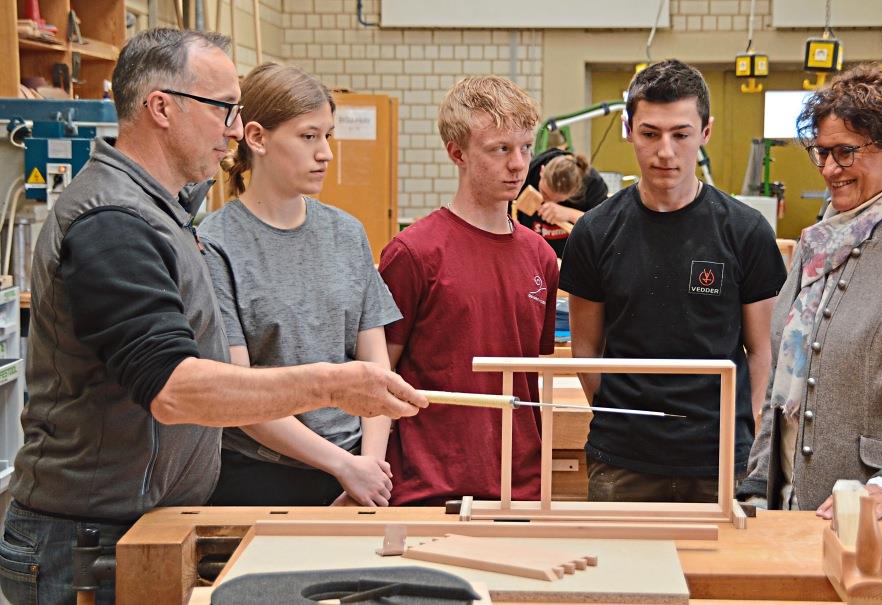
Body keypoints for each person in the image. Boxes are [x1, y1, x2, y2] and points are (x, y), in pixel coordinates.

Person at [0, 29, 425, 605]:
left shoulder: (162, 214)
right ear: (161, 108)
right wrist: (334, 382)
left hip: (136, 525)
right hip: (83, 538)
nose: (232, 128)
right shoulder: (114, 221)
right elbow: (174, 389)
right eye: (223, 108)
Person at [560, 59, 786, 503]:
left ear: (705, 133)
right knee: (621, 573)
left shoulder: (745, 231)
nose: (665, 151)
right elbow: (585, 346)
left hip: (722, 460)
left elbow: (764, 348)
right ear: (628, 129)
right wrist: (617, 413)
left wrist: (749, 422)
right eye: (650, 133)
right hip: (623, 460)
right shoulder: (595, 231)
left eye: (680, 134)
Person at [738, 64, 882, 517]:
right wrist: (757, 480)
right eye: (822, 152)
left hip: (878, 519)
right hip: (788, 504)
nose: (830, 169)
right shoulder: (823, 241)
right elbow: (782, 379)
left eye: (846, 152)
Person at [198, 63, 400, 507]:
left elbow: (376, 370)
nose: (326, 152)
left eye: (328, 136)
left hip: (359, 473)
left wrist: (365, 469)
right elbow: (237, 391)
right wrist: (343, 468)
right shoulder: (215, 244)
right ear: (257, 138)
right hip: (262, 478)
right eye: (309, 137)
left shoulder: (347, 234)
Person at [379, 75, 559, 505]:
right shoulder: (413, 253)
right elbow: (380, 378)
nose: (518, 164)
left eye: (525, 147)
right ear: (457, 153)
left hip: (522, 488)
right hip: (430, 490)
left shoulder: (541, 257)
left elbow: (538, 378)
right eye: (500, 149)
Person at [516, 148, 608, 258]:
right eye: (544, 193)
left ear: (574, 192)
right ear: (542, 171)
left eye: (558, 200)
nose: (548, 202)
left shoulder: (593, 185)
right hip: (532, 255)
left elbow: (603, 227)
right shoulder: (527, 172)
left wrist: (569, 214)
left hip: (571, 257)